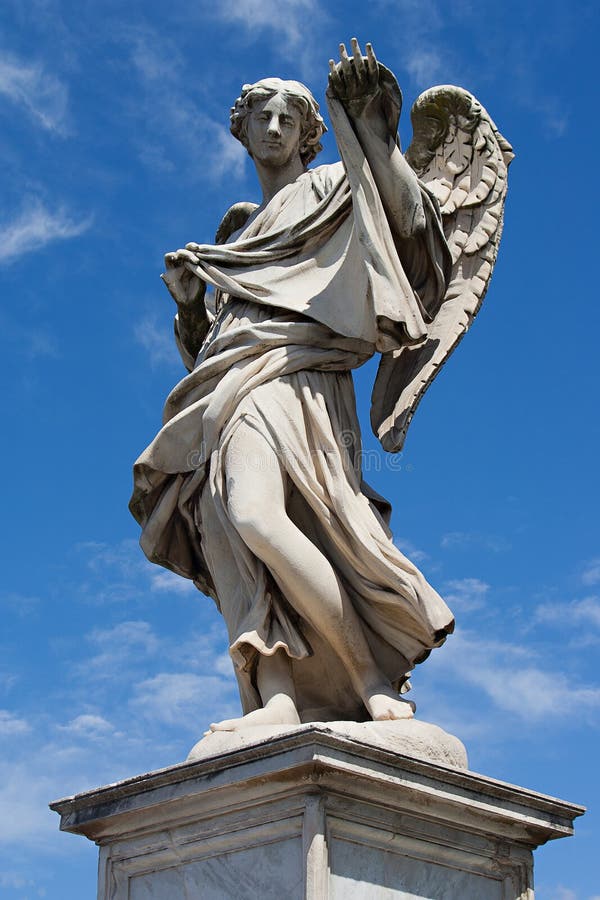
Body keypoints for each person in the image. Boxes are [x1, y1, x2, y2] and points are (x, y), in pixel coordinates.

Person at [130, 40, 455, 733]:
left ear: (310, 133)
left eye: (289, 119)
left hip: (297, 380)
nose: (274, 128)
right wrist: (190, 308)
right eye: (263, 117)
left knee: (256, 515)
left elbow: (412, 231)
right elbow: (211, 350)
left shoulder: (333, 184)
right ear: (242, 129)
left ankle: (368, 676)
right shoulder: (239, 236)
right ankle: (275, 695)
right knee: (234, 538)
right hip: (225, 390)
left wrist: (373, 133)